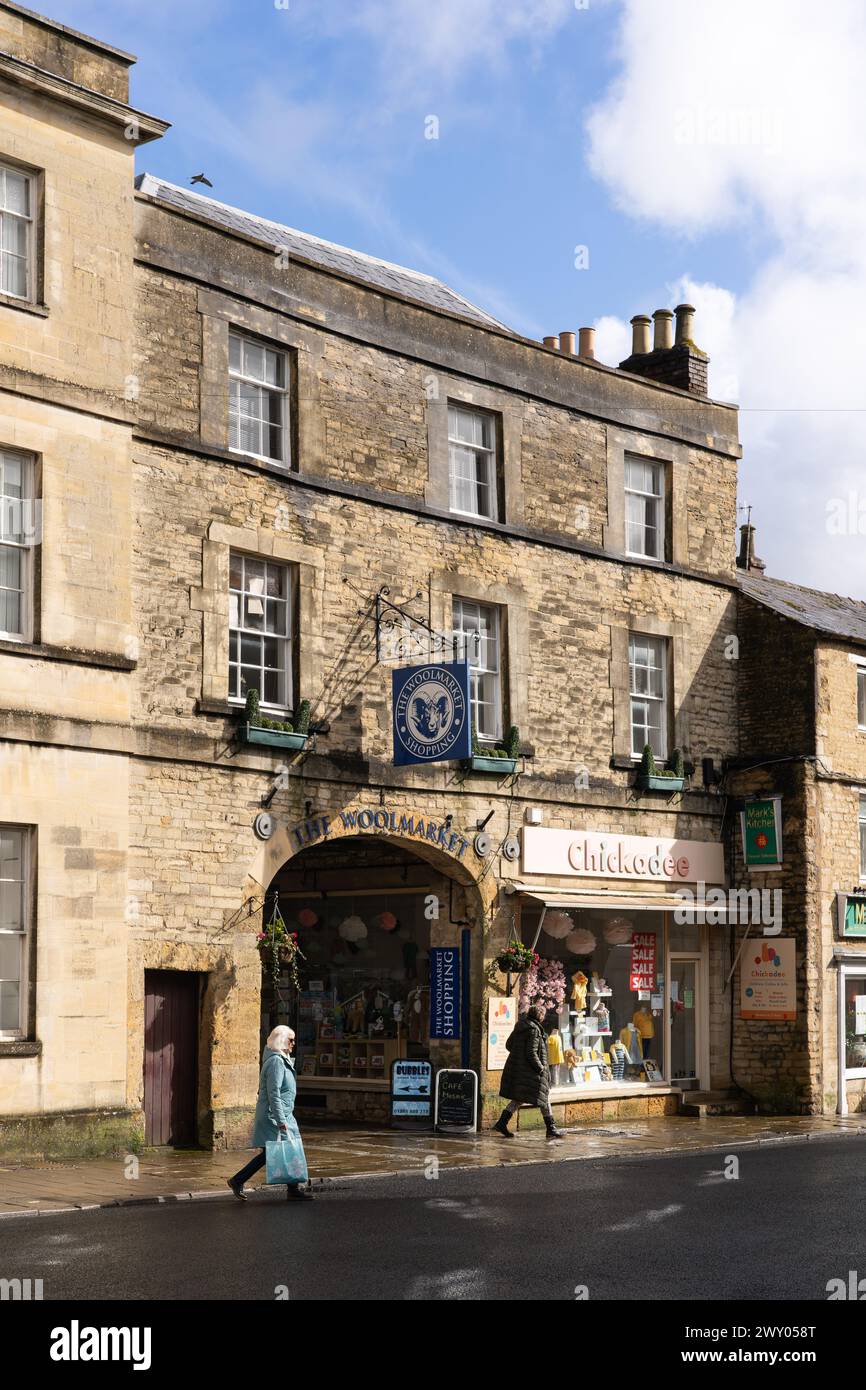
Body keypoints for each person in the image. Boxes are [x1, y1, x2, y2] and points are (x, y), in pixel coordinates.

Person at [227, 1025, 313, 1201]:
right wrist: (281, 1120)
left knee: (287, 1148)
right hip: (273, 1116)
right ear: (281, 1040)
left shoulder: (282, 1059)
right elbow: (273, 1093)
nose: (293, 1043)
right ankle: (238, 1180)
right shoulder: (276, 1062)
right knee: (272, 1152)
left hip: (283, 1113)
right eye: (291, 1040)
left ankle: (293, 1189)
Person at [493, 1003, 564, 1140]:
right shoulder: (534, 1030)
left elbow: (509, 1045)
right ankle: (551, 1128)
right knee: (543, 1097)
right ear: (540, 1016)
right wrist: (541, 1068)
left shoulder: (521, 1026)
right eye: (543, 1015)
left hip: (521, 1070)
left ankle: (502, 1123)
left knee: (519, 1099)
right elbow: (531, 1053)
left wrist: (520, 1059)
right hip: (531, 1071)